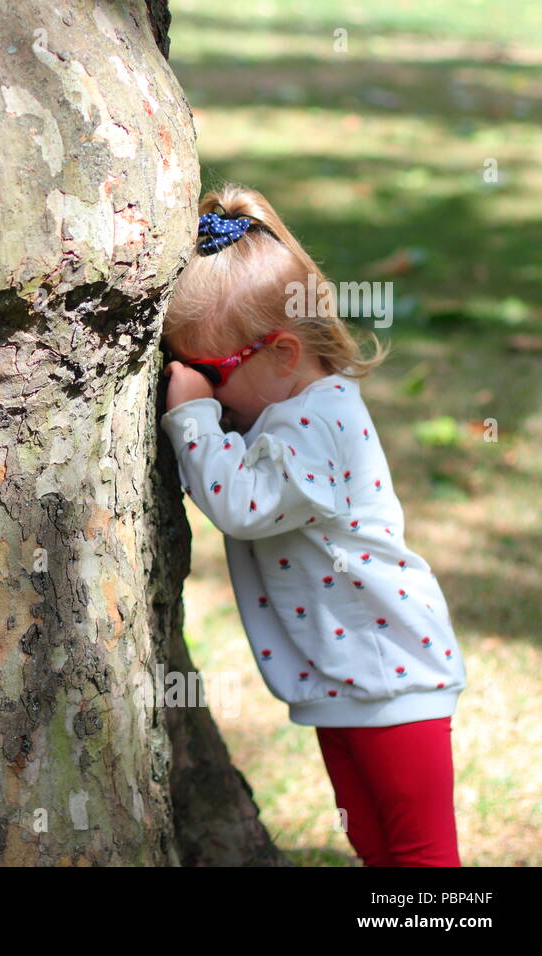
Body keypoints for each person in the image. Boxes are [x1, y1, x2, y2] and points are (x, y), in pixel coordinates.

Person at [157, 184, 466, 866]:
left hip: (392, 677)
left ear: (284, 354)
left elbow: (242, 504)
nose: (201, 387)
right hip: (347, 681)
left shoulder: (316, 423)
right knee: (373, 841)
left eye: (210, 372)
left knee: (420, 853)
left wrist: (191, 418)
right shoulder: (287, 410)